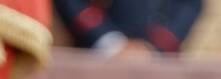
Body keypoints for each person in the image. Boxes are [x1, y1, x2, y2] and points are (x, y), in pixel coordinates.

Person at [54, 0, 204, 56]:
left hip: (156, 63)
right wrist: (110, 42)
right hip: (94, 54)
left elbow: (189, 5)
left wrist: (152, 48)